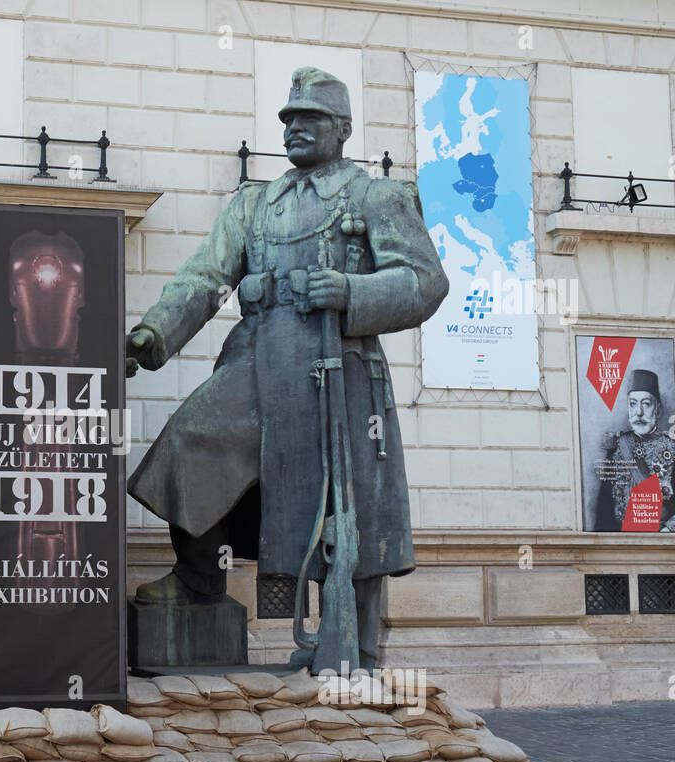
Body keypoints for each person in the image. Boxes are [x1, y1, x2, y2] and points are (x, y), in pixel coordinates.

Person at [124, 67, 448, 670]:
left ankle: (355, 647)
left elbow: (425, 283)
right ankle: (198, 581)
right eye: (289, 118)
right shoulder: (254, 205)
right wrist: (154, 332)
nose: (296, 127)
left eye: (311, 118)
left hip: (339, 368)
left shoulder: (377, 197)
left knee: (350, 505)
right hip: (256, 359)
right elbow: (203, 277)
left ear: (343, 129)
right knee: (188, 446)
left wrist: (351, 290)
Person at [594, 368, 675, 532]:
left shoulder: (673, 450)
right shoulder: (616, 448)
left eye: (646, 404)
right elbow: (604, 509)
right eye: (633, 404)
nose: (639, 412)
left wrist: (669, 530)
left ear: (658, 409)